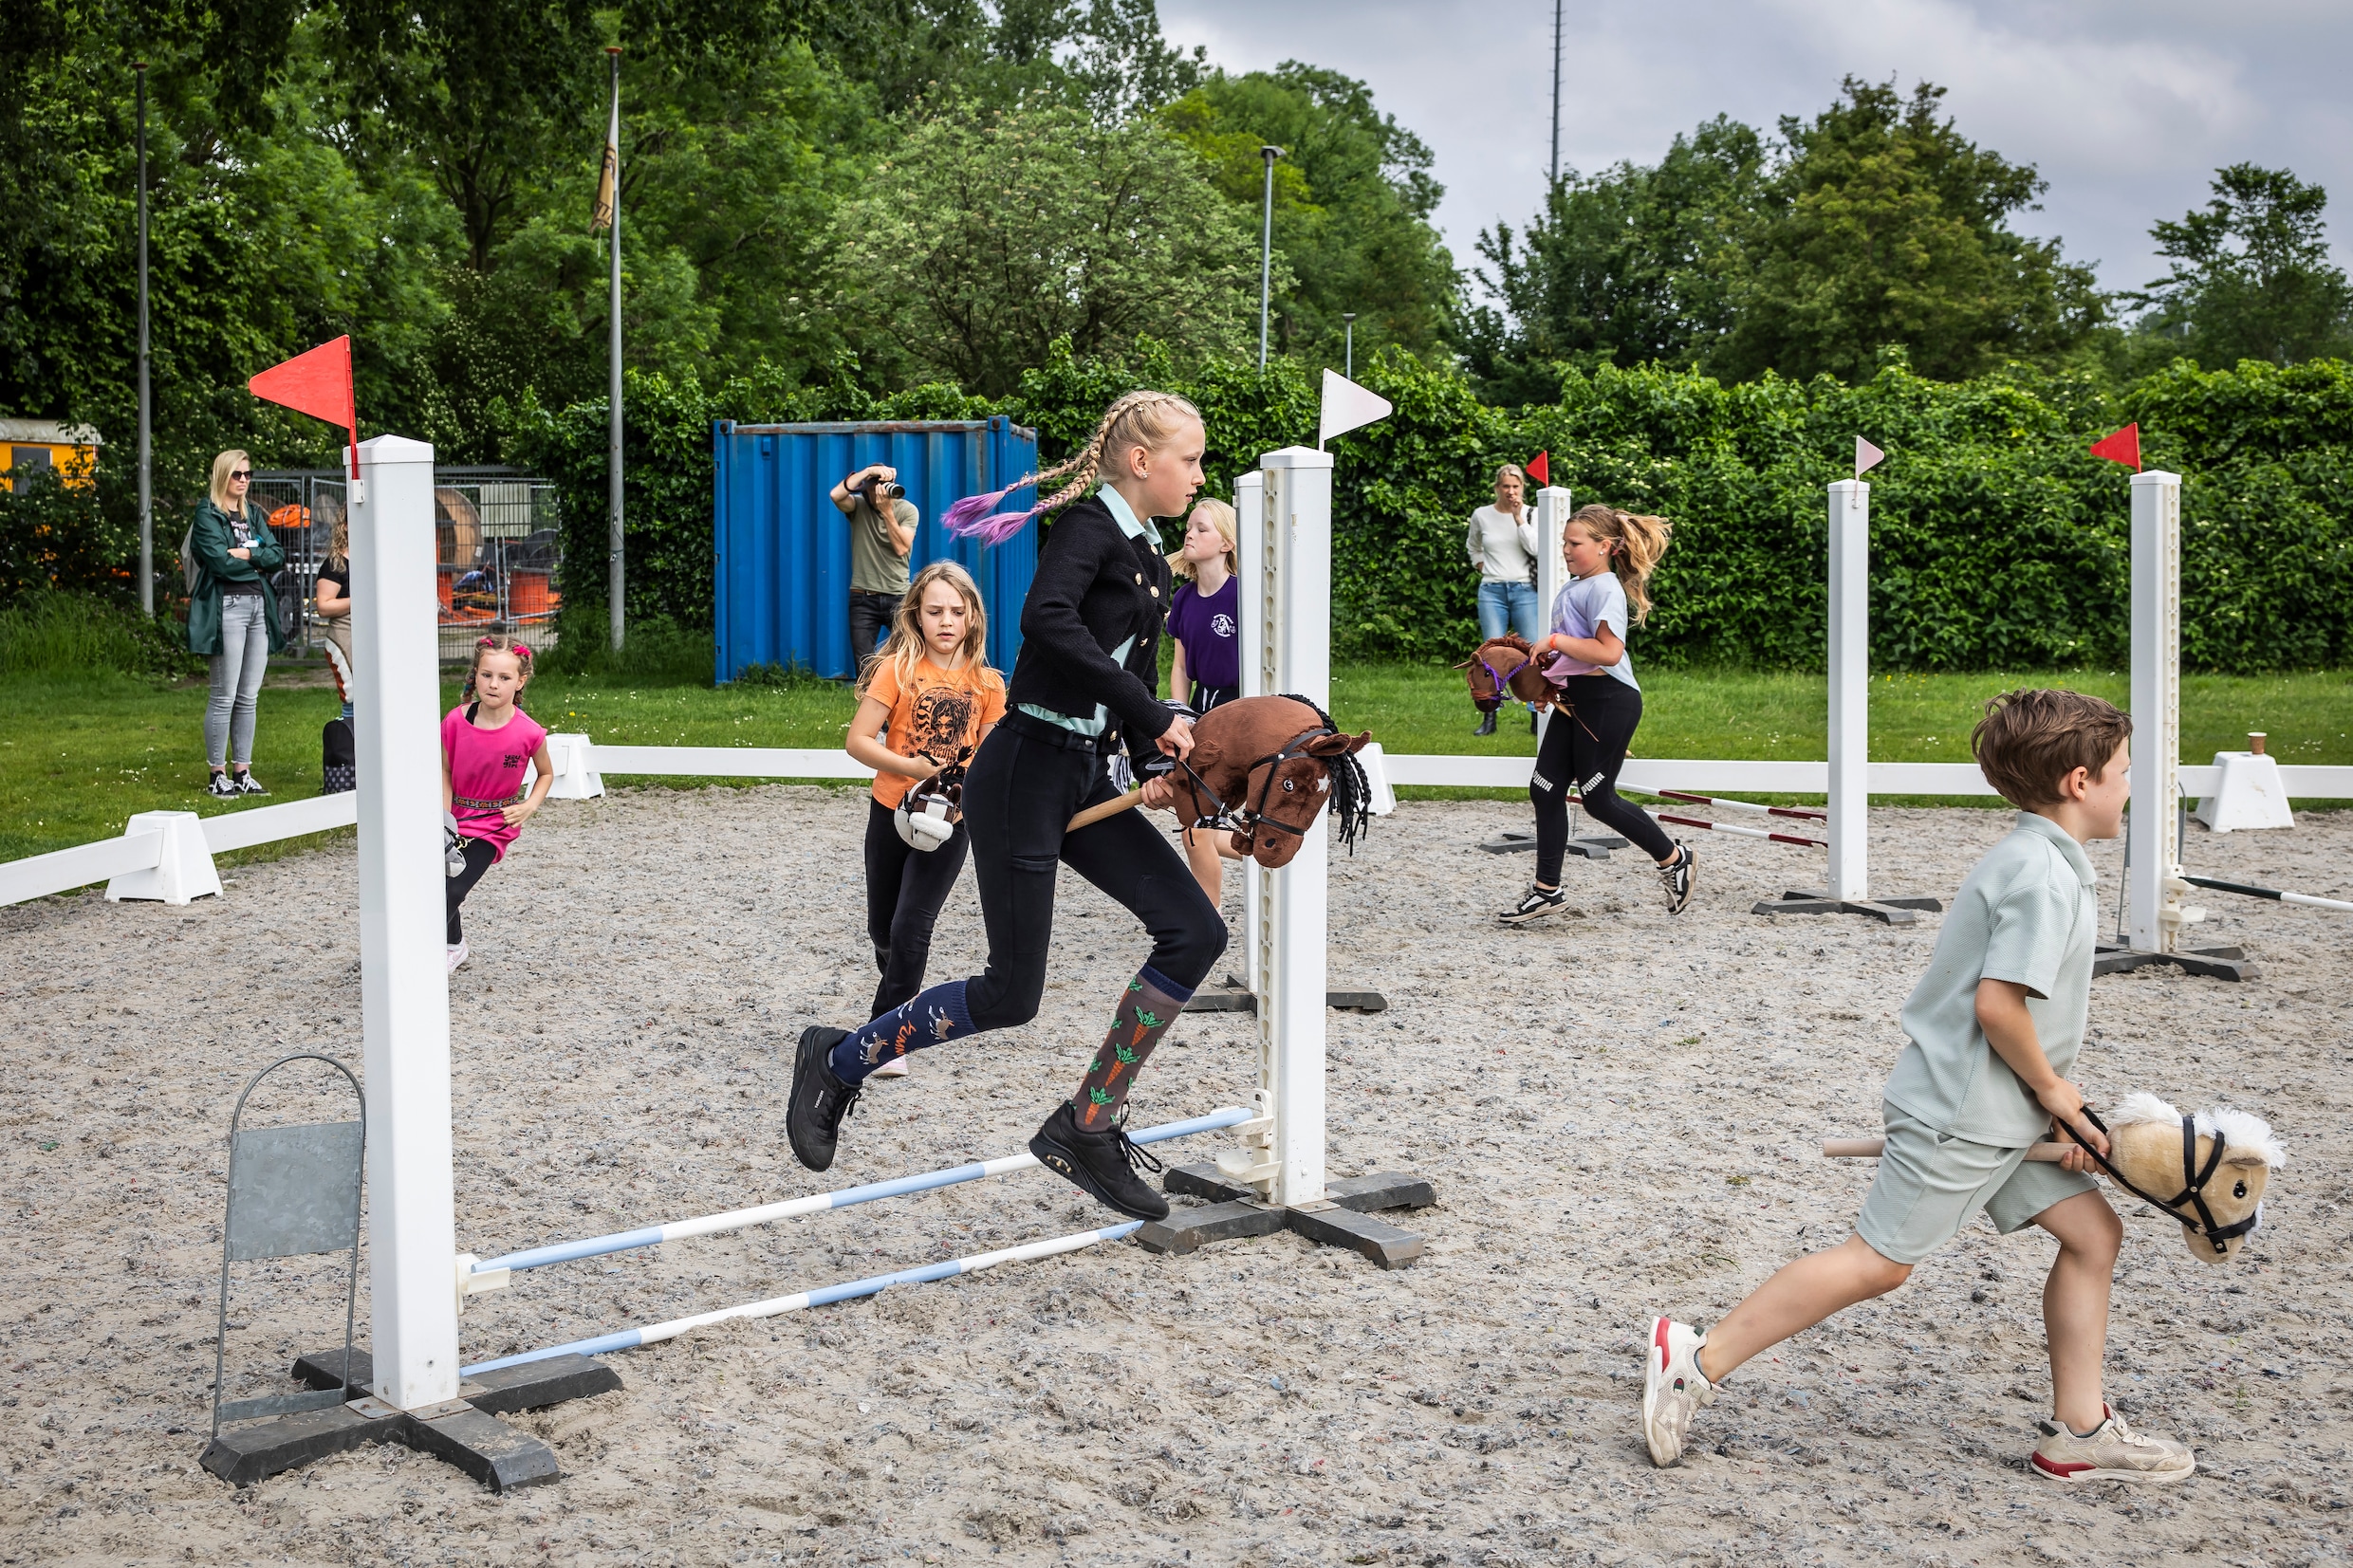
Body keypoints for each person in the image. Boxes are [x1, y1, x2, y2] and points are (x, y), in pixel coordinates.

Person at [1641, 689, 2196, 1486]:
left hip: (2005, 1109)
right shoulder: (2041, 876)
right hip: (1967, 1111)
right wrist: (2059, 1095)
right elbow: (1997, 1004)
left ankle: (2081, 1431)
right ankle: (1695, 1359)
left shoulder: (2034, 857)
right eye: (2123, 771)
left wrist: (2051, 1106)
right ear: (2079, 780)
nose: (2130, 785)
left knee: (2093, 1235)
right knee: (1879, 1262)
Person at [786, 390, 1228, 1224]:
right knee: (1010, 993)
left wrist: (1148, 752)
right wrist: (1150, 715)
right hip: (1023, 767)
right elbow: (1047, 619)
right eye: (1191, 459)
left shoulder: (1144, 547)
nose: (1198, 474)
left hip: (1084, 769)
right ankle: (839, 1060)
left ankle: (1087, 1124)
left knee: (1197, 930)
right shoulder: (1090, 530)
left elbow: (1126, 668)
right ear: (1142, 461)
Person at [843, 561, 1008, 1079]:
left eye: (957, 612)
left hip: (951, 820)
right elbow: (857, 742)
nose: (946, 621)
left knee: (913, 928)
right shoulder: (895, 668)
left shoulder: (988, 683)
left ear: (972, 618)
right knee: (884, 928)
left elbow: (990, 758)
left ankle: (884, 1040)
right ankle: (895, 993)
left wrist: (967, 789)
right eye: (934, 611)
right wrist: (911, 767)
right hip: (892, 807)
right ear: (915, 614)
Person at [1500, 504, 1692, 923]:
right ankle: (1547, 891)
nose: (1566, 550)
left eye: (1575, 543)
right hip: (1576, 699)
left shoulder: (1604, 588)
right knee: (1544, 788)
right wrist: (1546, 683)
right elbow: (1575, 652)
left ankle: (1674, 858)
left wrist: (1553, 640)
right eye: (1565, 543)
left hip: (1610, 699)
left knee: (1598, 799)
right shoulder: (1575, 586)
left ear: (1605, 547)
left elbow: (1608, 653)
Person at [441, 636, 554, 976]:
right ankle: (453, 945)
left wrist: (529, 806)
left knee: (453, 889)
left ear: (520, 681)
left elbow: (547, 774)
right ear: (475, 675)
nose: (493, 684)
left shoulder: (529, 732)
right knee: (436, 884)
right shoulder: (454, 722)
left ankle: (419, 952)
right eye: (487, 675)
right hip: (452, 818)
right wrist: (443, 820)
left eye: (504, 678)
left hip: (494, 824)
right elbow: (444, 769)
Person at [187, 450, 287, 797]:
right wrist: (255, 557)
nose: (243, 480)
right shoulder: (208, 512)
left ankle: (242, 771)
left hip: (259, 605)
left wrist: (246, 553)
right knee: (224, 694)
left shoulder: (253, 513)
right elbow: (218, 562)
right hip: (226, 606)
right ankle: (217, 773)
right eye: (237, 474)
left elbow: (277, 556)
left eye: (248, 474)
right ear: (223, 476)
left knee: (249, 696)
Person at [1164, 497, 1240, 905]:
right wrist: (1182, 716)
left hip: (1238, 713)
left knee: (1195, 828)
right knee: (1194, 824)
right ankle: (1261, 841)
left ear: (1227, 543)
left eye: (1201, 529)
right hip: (1199, 710)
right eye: (1189, 527)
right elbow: (1180, 668)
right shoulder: (1183, 600)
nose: (1189, 534)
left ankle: (1206, 920)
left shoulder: (1243, 597)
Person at [1465, 463, 1539, 737]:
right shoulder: (1482, 515)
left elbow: (1537, 548)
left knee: (1532, 655)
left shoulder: (1533, 513)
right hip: (1493, 591)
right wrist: (1481, 565)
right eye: (1505, 486)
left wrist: (1520, 519)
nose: (1511, 491)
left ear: (1522, 488)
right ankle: (1489, 716)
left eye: (1516, 486)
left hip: (1525, 591)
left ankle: (1536, 716)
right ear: (1497, 487)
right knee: (1489, 658)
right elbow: (1473, 545)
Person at [830, 463, 918, 670]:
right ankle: (869, 701)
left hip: (898, 596)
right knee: (864, 664)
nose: (878, 490)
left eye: (883, 485)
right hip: (863, 597)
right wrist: (868, 472)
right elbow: (835, 495)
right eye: (874, 485)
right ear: (865, 487)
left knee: (907, 659)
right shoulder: (858, 507)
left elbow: (901, 548)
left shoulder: (907, 510)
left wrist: (886, 511)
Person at [314, 512, 354, 724]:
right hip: (344, 639)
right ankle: (348, 745)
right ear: (345, 526)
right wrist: (359, 600)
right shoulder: (335, 564)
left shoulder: (376, 560)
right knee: (354, 698)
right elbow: (324, 606)